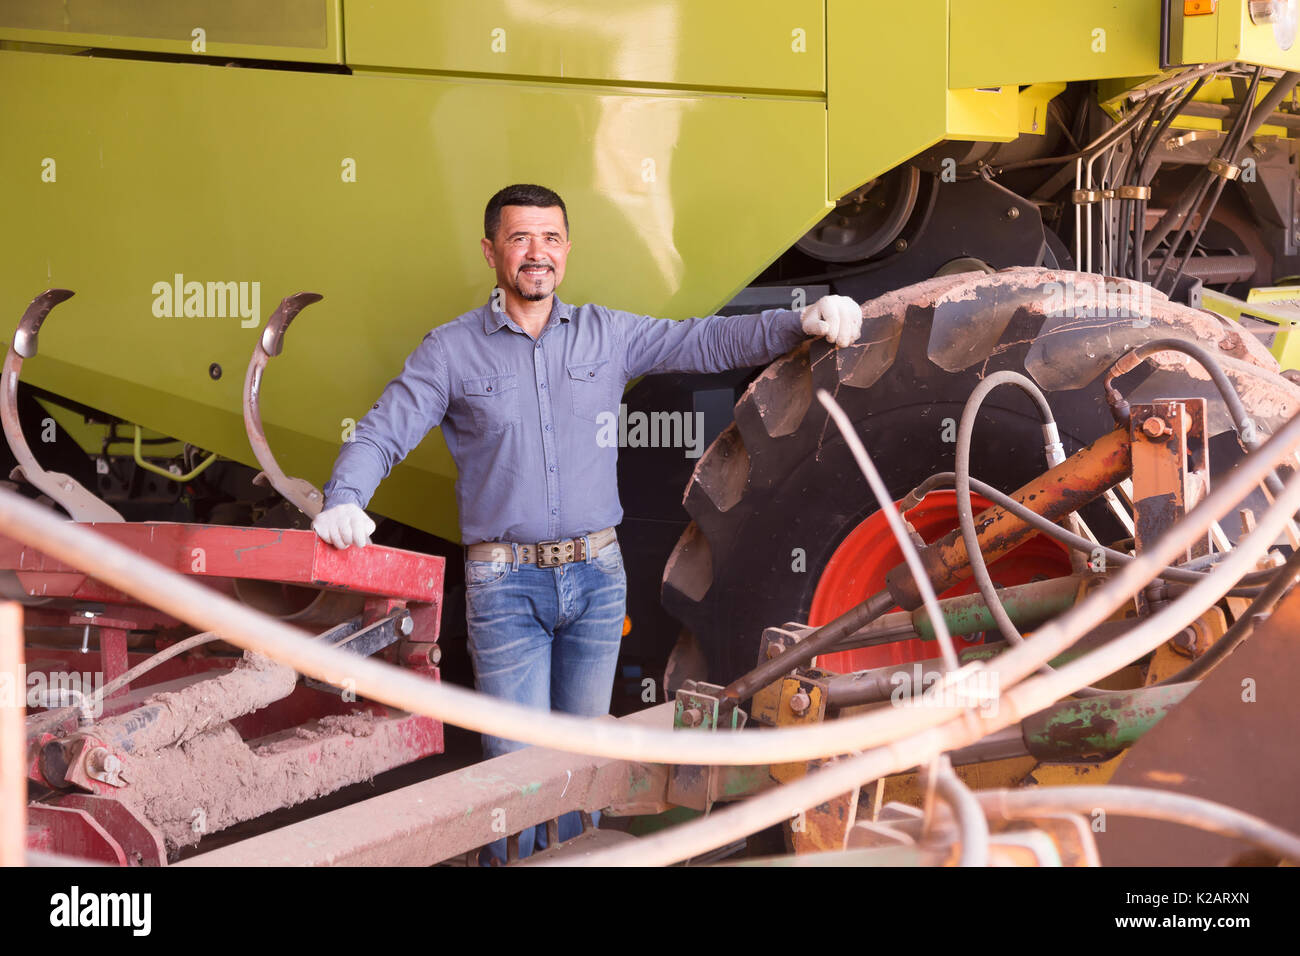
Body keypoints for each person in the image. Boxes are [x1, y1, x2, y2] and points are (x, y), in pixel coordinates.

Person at [313, 183, 861, 862]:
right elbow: (383, 430)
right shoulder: (450, 351)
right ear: (491, 252)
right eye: (519, 238)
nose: (535, 253)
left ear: (567, 249)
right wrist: (345, 496)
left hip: (598, 578)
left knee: (584, 766)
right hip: (504, 587)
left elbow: (706, 341)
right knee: (511, 777)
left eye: (549, 238)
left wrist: (798, 321)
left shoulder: (609, 334)